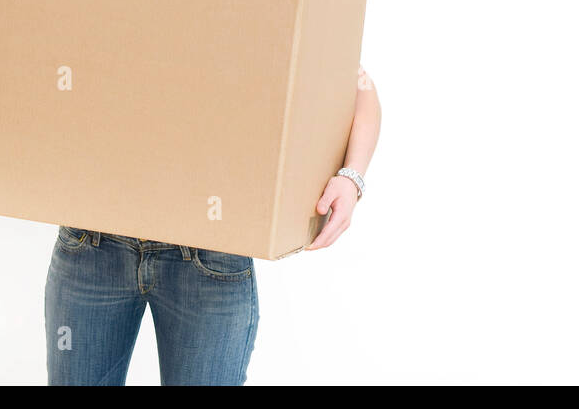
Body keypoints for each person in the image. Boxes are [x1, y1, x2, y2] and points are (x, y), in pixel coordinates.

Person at [44, 67, 382, 385]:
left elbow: (355, 81)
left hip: (210, 258)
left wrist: (352, 178)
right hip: (91, 245)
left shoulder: (252, 6)